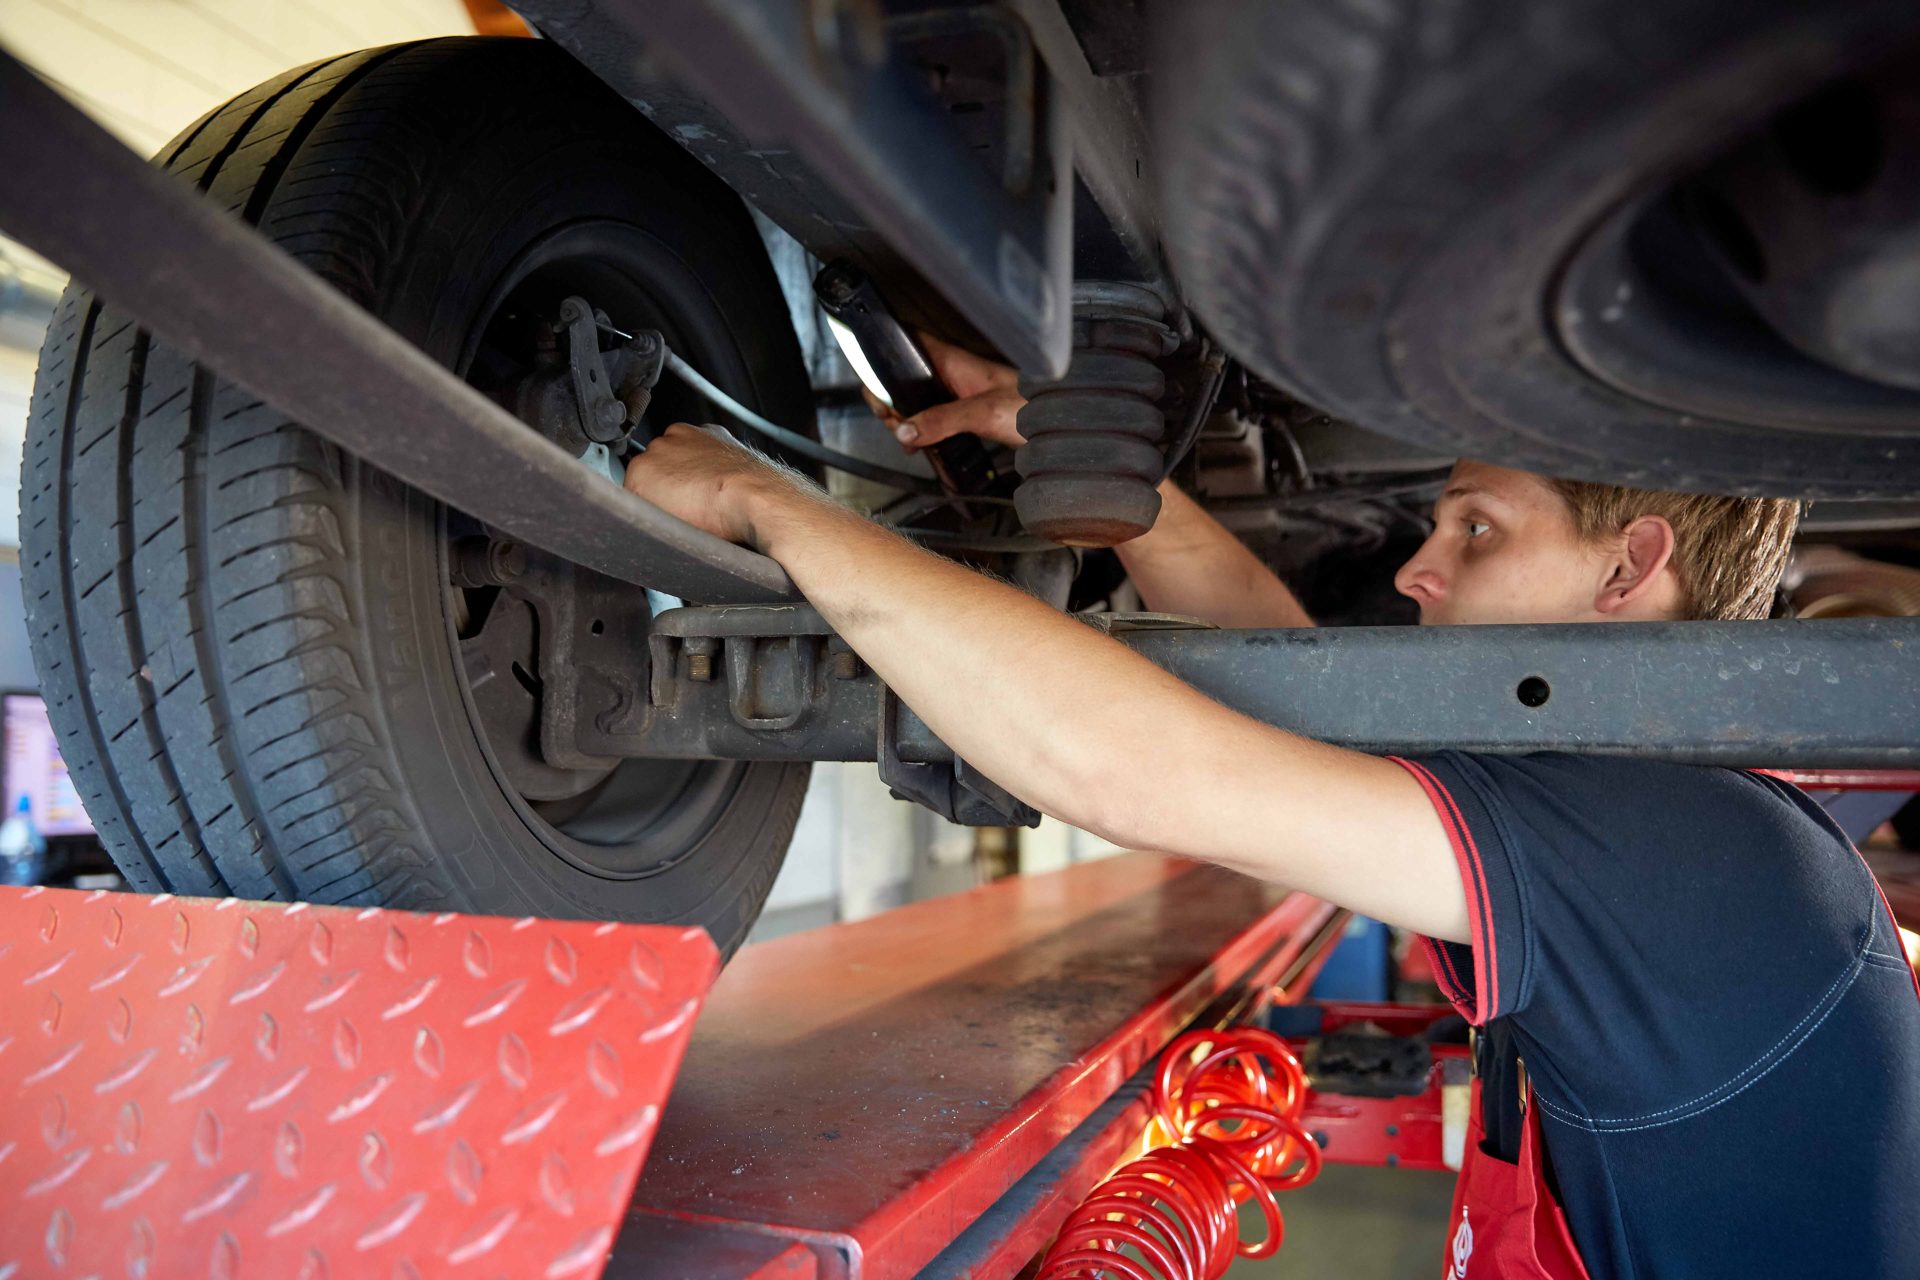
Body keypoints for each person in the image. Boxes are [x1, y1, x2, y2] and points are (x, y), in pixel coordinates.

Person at [626, 336, 1920, 1278]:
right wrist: (1113, 485)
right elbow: (1301, 693)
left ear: (1633, 565)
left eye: (1475, 528)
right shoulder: (1676, 825)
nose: (1417, 570)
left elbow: (1134, 769)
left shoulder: (1677, 851)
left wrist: (768, 502)